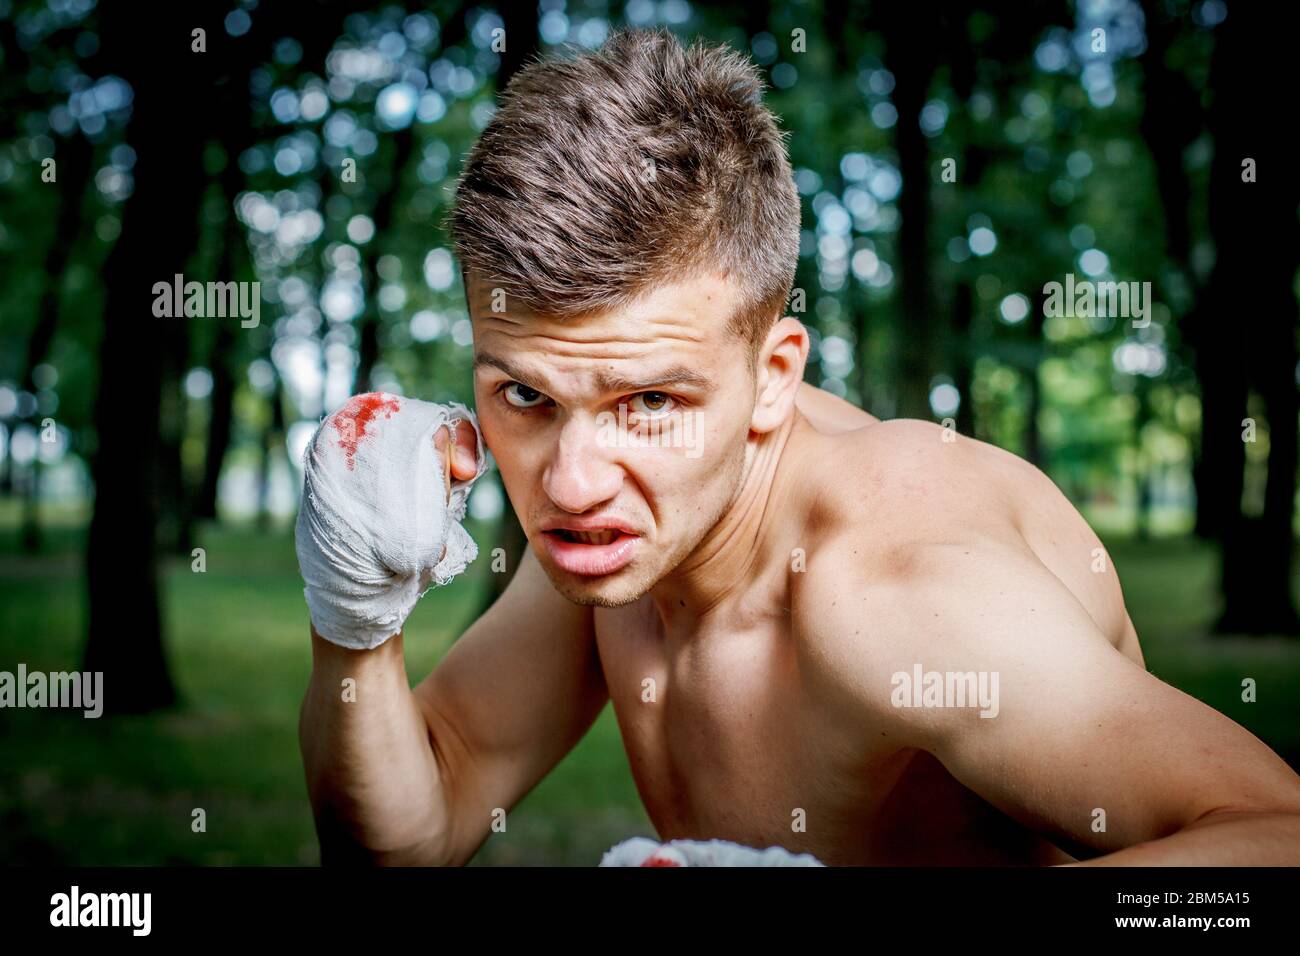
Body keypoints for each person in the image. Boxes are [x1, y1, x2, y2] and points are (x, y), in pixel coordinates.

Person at [296, 28, 1300, 866]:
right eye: (523, 393)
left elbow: (1272, 832)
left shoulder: (898, 587)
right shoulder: (622, 521)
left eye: (649, 397)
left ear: (773, 374)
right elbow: (417, 824)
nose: (567, 477)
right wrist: (352, 616)